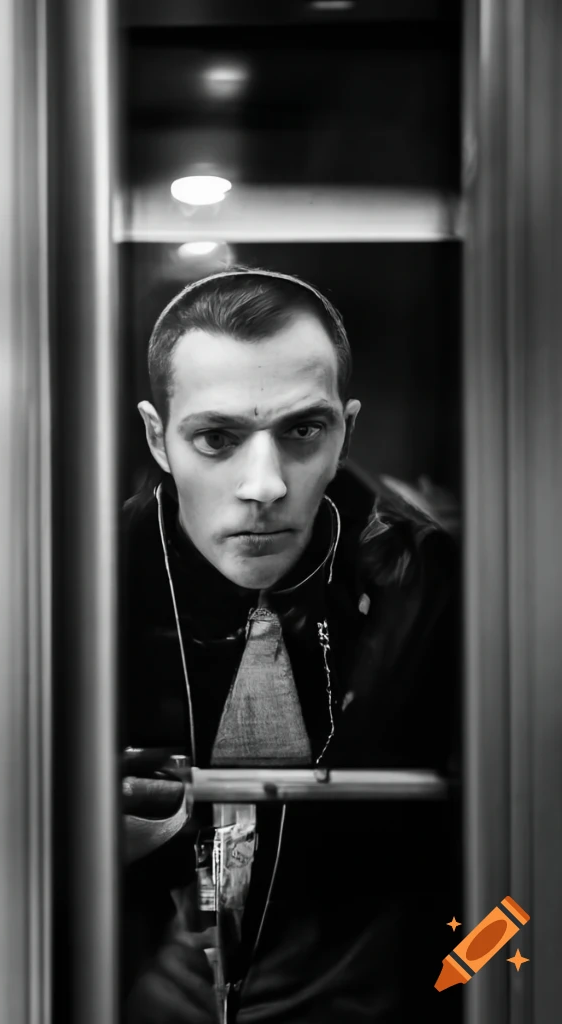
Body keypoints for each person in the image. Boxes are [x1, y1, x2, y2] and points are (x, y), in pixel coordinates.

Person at [119, 268, 462, 1023]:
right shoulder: (87, 590)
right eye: (217, 437)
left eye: (303, 431)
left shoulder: (435, 591)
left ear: (346, 431)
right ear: (158, 439)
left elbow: (529, 865)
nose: (264, 485)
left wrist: (458, 983)